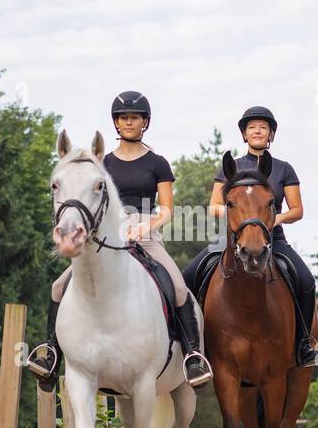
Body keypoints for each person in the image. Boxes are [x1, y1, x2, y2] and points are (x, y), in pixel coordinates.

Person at [26, 90, 213, 391]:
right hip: (108, 234)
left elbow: (166, 208)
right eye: (124, 118)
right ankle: (51, 353)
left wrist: (146, 226)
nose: (129, 122)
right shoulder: (103, 163)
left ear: (144, 123)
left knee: (178, 288)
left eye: (135, 118)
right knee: (59, 285)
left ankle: (192, 355)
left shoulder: (158, 163)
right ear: (116, 123)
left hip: (145, 232)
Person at [181, 106, 318, 367]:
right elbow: (214, 206)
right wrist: (242, 220)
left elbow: (297, 210)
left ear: (271, 134)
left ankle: (306, 345)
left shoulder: (283, 169)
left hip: (273, 238)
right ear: (244, 134)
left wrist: (273, 220)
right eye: (252, 127)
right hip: (232, 238)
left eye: (263, 127)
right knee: (188, 276)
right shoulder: (231, 167)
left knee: (306, 280)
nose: (257, 131)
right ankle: (193, 346)